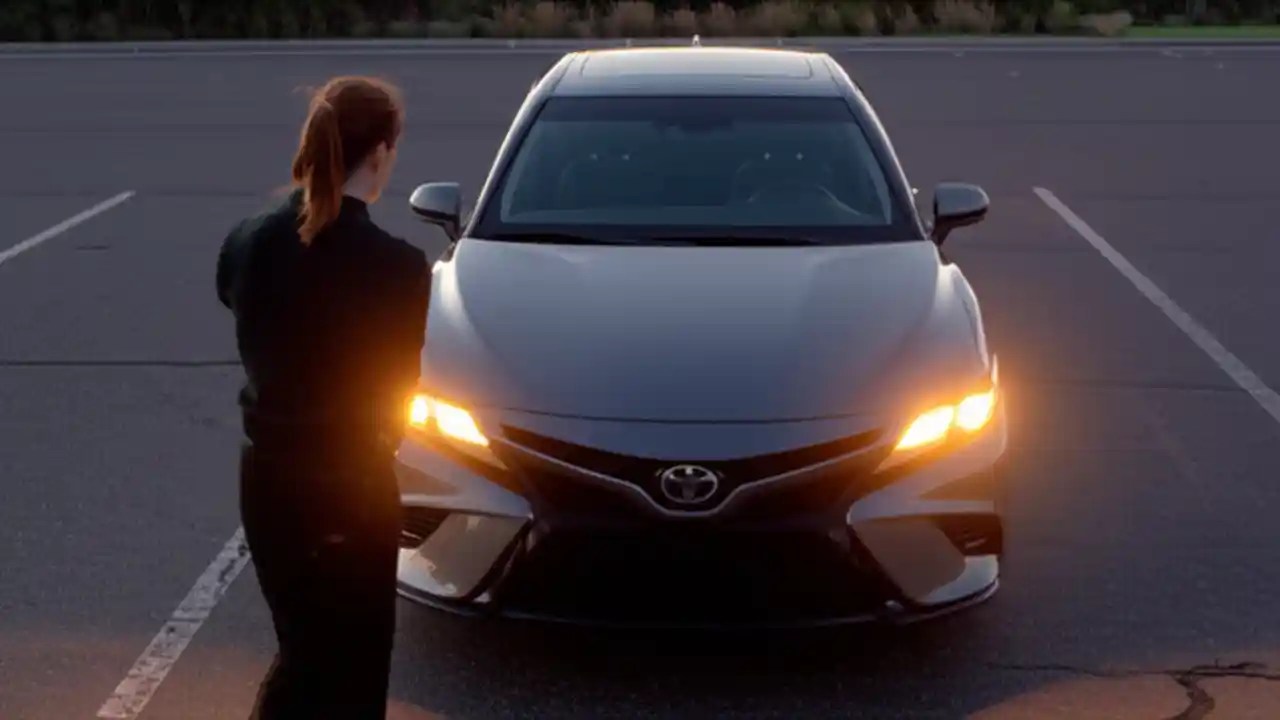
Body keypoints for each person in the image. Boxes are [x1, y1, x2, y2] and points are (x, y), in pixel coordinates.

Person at [215, 75, 430, 719]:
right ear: (384, 152)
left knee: (303, 651)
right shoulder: (396, 267)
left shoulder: (249, 238)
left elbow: (232, 294)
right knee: (353, 669)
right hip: (351, 486)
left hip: (269, 484)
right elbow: (399, 384)